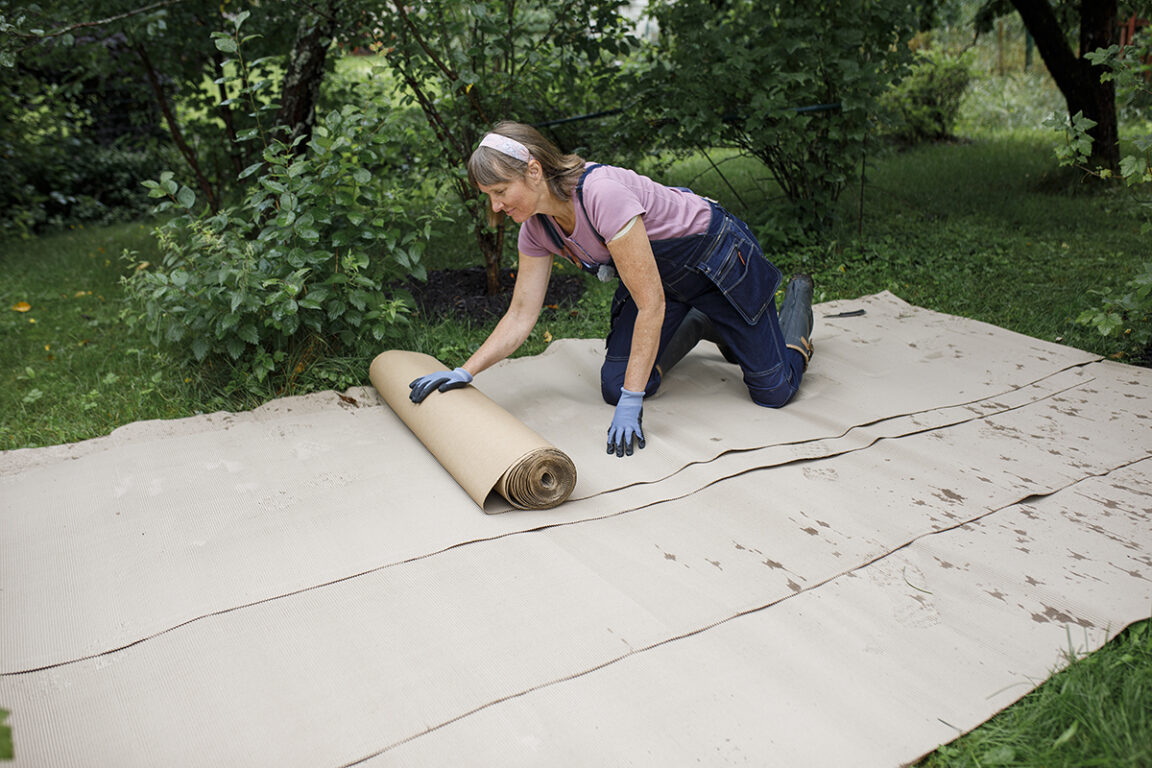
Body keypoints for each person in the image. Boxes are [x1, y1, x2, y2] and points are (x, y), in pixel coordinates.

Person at [409, 121, 814, 458]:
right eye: (489, 197)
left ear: (533, 171)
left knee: (774, 391)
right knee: (614, 385)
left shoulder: (600, 193)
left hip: (714, 262)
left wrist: (633, 402)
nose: (496, 207)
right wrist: (466, 370)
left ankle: (795, 303)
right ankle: (700, 322)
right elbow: (520, 315)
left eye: (500, 193)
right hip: (660, 285)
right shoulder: (536, 230)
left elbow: (649, 304)